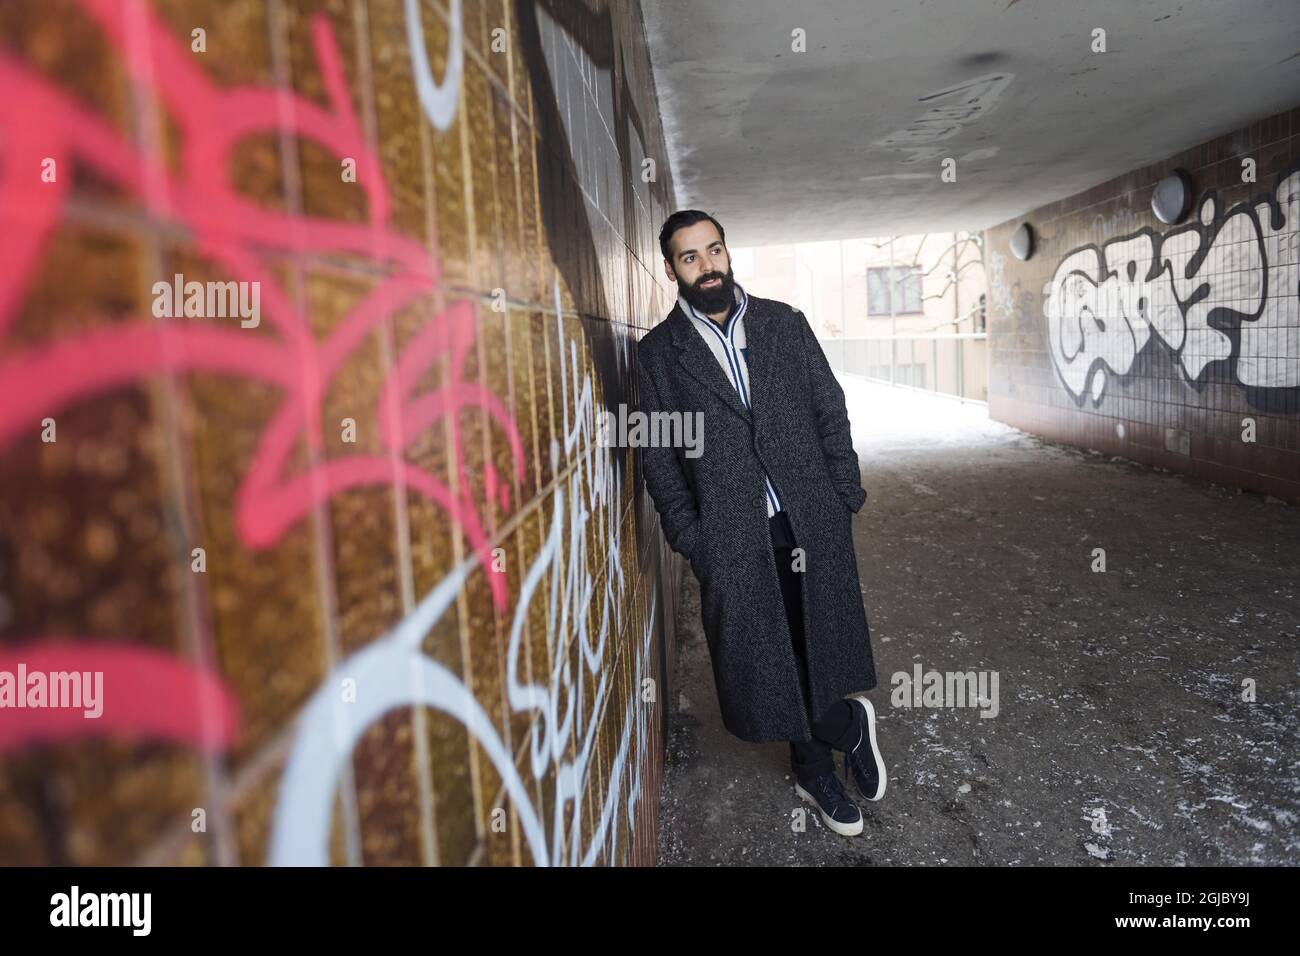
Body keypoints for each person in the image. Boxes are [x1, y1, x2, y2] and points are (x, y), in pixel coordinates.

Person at [636, 210, 887, 836]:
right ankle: (840, 730)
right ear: (671, 270)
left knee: (816, 636)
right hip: (731, 532)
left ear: (727, 253)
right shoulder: (658, 355)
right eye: (690, 257)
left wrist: (843, 489)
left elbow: (830, 405)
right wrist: (689, 535)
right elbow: (657, 454)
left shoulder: (784, 324)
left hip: (808, 513)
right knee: (766, 656)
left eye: (713, 250)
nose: (707, 265)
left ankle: (814, 767)